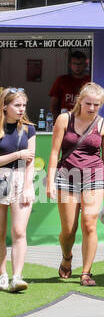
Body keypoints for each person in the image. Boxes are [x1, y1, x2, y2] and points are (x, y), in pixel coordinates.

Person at [47, 82, 104, 286]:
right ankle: (67, 257)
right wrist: (50, 182)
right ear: (80, 100)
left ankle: (86, 272)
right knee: (68, 230)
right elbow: (54, 153)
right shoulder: (64, 119)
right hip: (66, 176)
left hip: (94, 178)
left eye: (97, 104)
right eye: (88, 103)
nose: (92, 108)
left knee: (89, 225)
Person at [0, 89, 37, 292]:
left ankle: (17, 276)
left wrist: (28, 187)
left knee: (19, 231)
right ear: (5, 106)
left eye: (23, 105)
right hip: (1, 178)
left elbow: (30, 161)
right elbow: (23, 155)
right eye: (17, 105)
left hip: (21, 179)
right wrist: (18, 154)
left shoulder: (29, 129)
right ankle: (2, 275)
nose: (21, 109)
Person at [48, 50, 91, 117]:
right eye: (74, 63)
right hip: (65, 118)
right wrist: (56, 121)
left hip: (84, 118)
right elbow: (53, 105)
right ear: (70, 65)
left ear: (85, 65)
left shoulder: (90, 81)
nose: (77, 67)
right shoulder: (62, 80)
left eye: (80, 64)